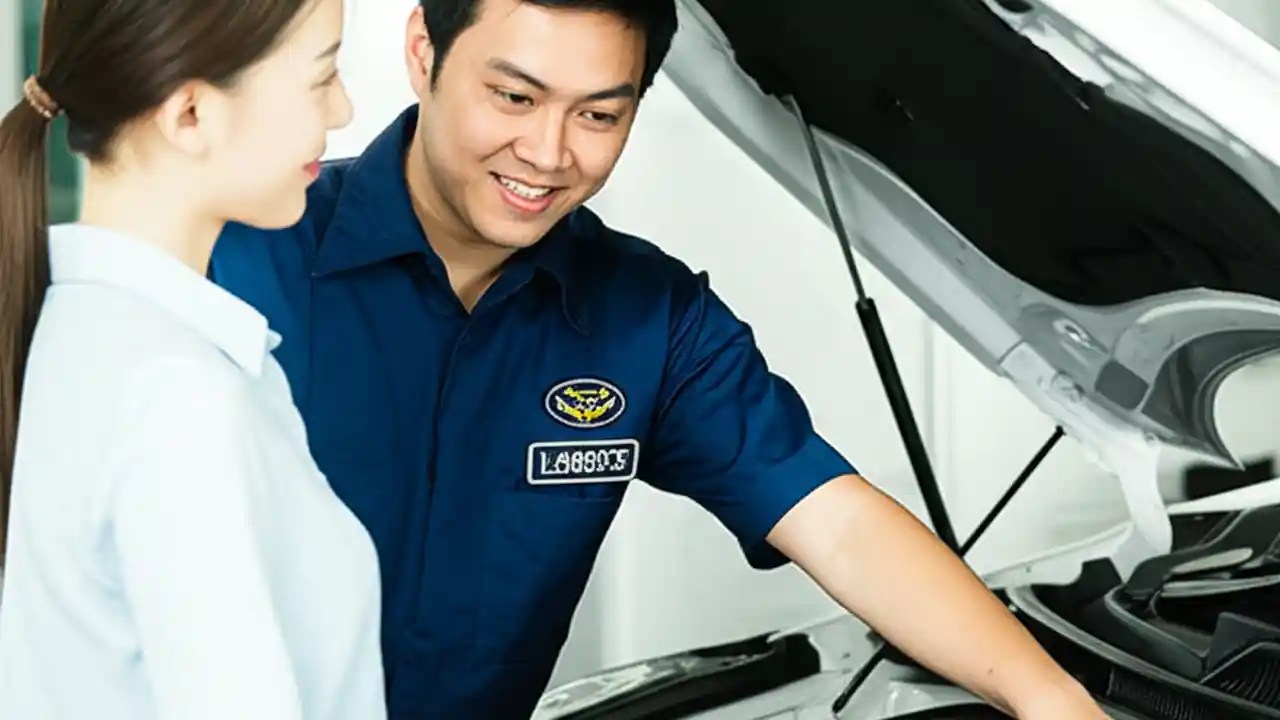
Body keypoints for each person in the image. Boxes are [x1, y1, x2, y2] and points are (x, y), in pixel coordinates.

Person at [209, 0, 1110, 717]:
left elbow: (835, 523)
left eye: (600, 113)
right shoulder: (237, 256)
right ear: (422, 54)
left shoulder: (649, 316)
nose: (548, 153)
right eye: (514, 97)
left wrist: (1048, 700)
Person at [0, 0, 387, 718]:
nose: (343, 108)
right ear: (190, 115)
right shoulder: (175, 395)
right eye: (321, 76)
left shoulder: (92, 335)